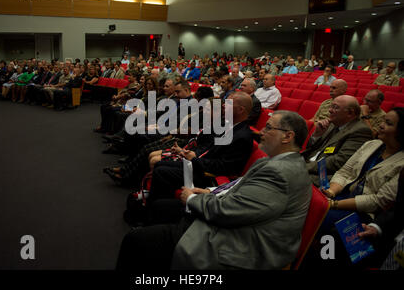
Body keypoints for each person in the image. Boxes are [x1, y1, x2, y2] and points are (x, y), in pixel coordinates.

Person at [116, 110, 311, 270]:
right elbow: (243, 194)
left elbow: (230, 211)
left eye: (268, 127)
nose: (261, 131)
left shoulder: (279, 173)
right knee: (160, 207)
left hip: (243, 243)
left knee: (136, 241)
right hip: (240, 222)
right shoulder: (279, 163)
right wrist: (210, 193)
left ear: (288, 136)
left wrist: (193, 199)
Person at [147, 92, 254, 204]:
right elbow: (210, 149)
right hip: (201, 164)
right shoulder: (229, 126)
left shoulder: (242, 136)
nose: (223, 105)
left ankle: (152, 208)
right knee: (159, 164)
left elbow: (224, 167)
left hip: (208, 176)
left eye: (228, 103)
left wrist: (194, 159)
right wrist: (192, 155)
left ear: (240, 110)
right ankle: (156, 201)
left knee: (161, 170)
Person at [319, 108, 404, 235]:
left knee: (321, 218)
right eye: (383, 121)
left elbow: (378, 201)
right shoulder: (372, 144)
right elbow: (345, 172)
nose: (380, 125)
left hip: (364, 211)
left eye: (388, 123)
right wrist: (331, 191)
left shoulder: (401, 163)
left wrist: (334, 204)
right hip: (340, 194)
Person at [302, 95, 372, 185]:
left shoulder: (360, 131)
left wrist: (304, 167)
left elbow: (339, 162)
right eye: (331, 106)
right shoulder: (333, 123)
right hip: (307, 163)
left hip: (322, 175)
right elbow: (310, 148)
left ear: (350, 113)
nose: (330, 110)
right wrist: (317, 135)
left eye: (335, 107)